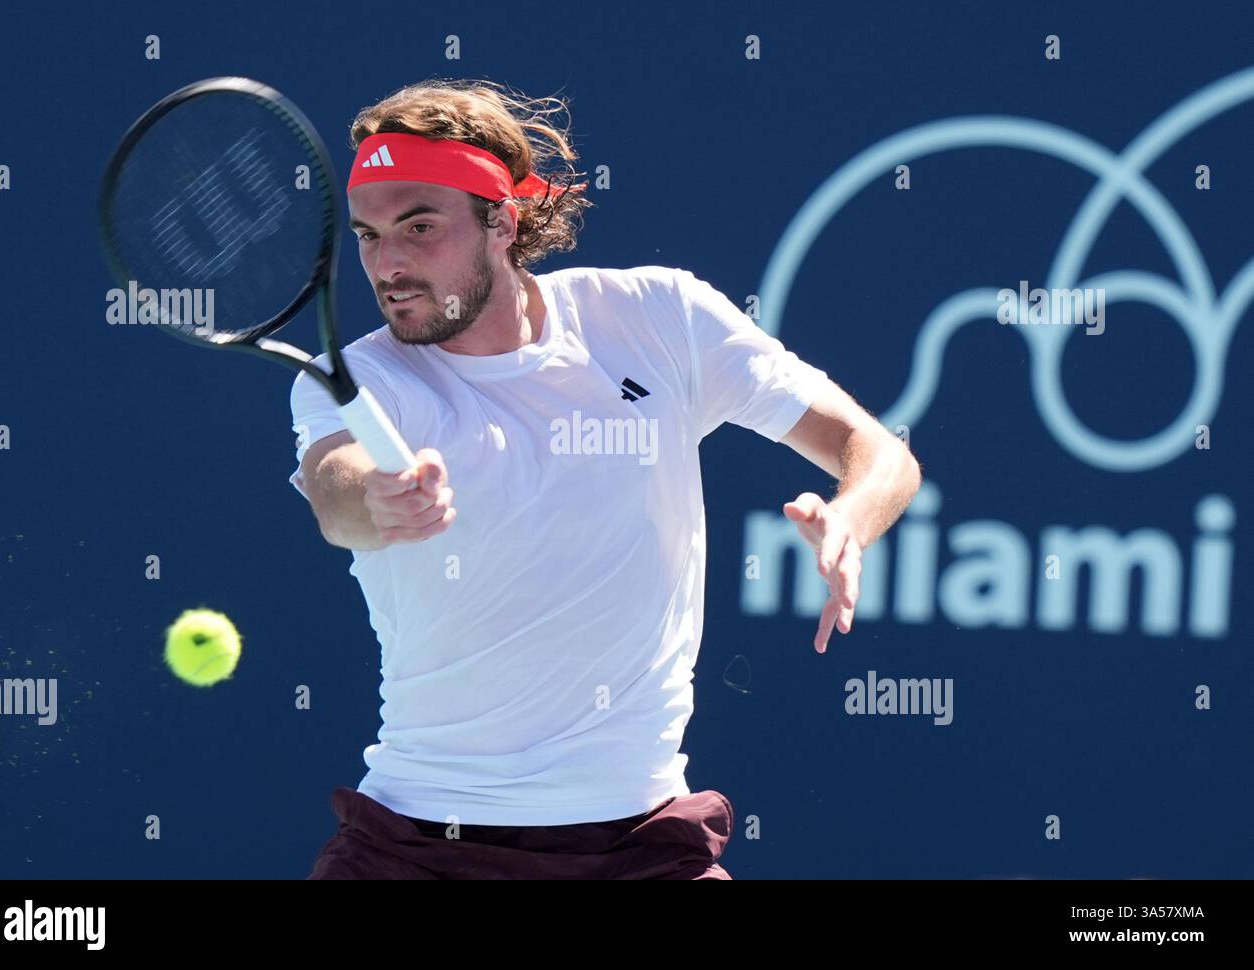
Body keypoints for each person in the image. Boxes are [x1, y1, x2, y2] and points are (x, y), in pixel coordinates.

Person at [290, 79, 922, 879]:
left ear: (502, 222)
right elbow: (334, 489)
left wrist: (852, 516)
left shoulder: (661, 318)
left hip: (638, 846)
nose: (390, 262)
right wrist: (373, 499)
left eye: (420, 226)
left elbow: (878, 452)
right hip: (418, 847)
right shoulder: (352, 380)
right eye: (371, 235)